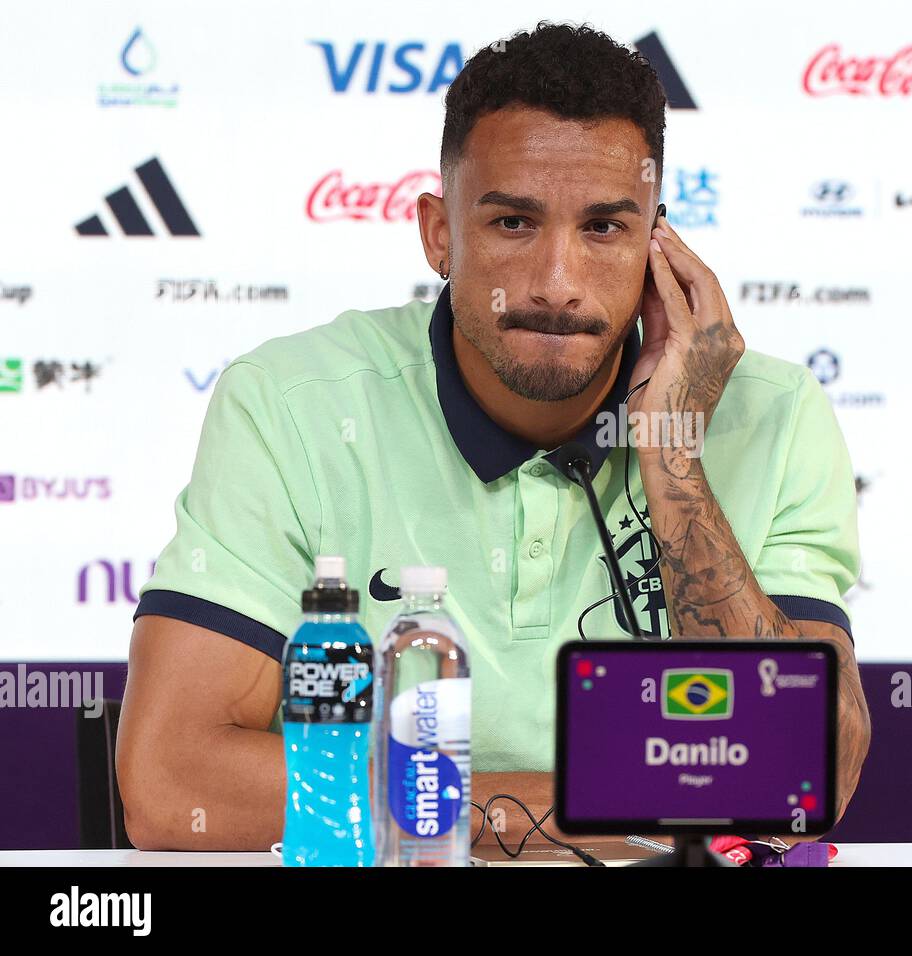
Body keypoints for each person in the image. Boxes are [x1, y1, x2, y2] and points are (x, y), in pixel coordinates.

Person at [117, 21, 870, 851]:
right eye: (514, 223)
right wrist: (623, 804)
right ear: (439, 234)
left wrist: (671, 456)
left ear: (661, 243)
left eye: (605, 228)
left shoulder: (774, 415)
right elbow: (170, 782)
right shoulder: (289, 405)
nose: (555, 284)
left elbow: (810, 774)